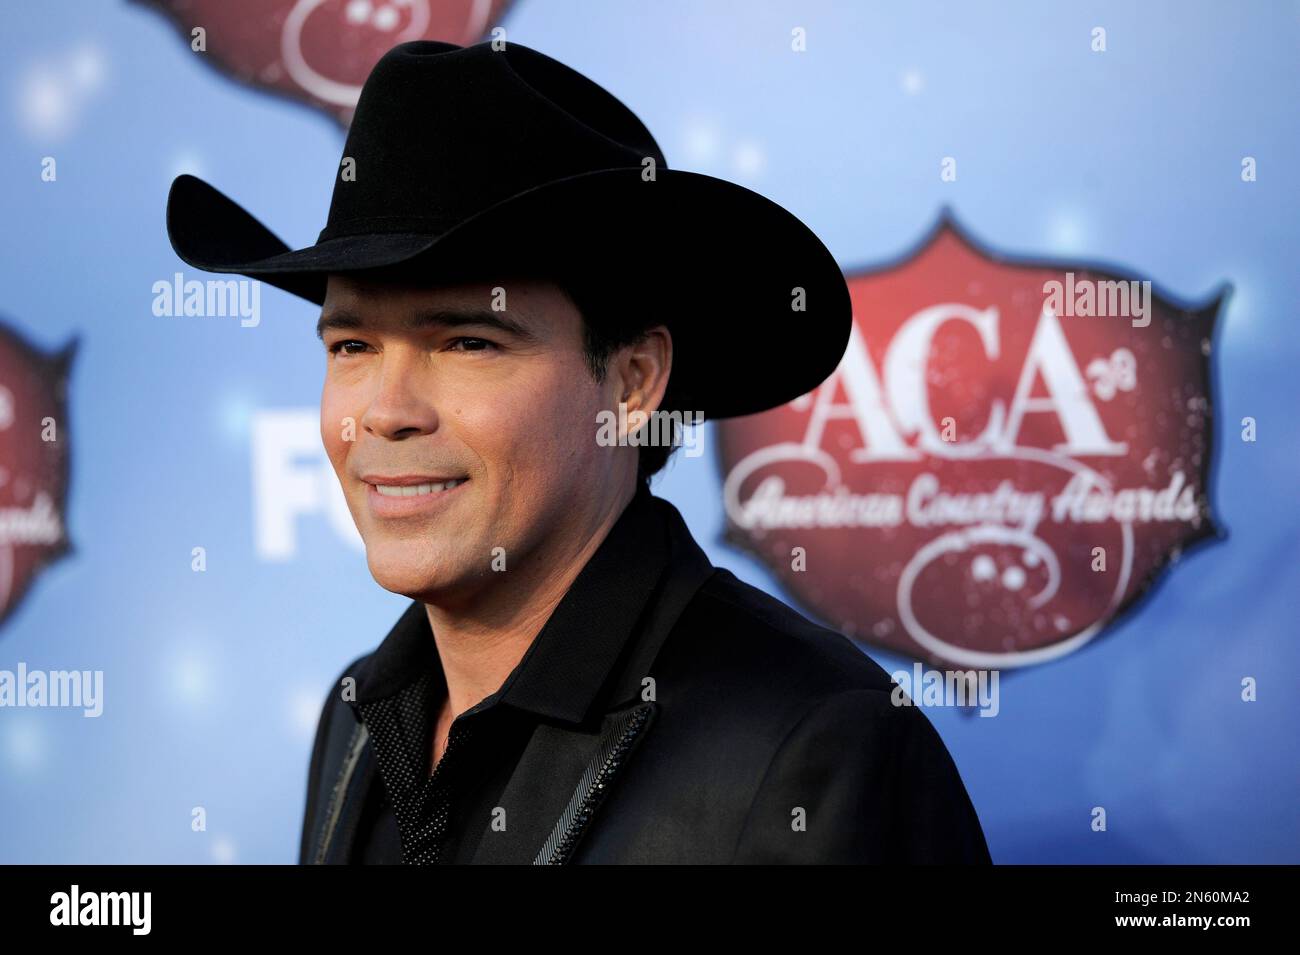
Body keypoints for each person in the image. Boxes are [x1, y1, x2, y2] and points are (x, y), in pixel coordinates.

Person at [165, 38, 991, 864]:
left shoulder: (817, 748)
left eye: (466, 343)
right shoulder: (356, 720)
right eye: (350, 347)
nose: (387, 412)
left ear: (632, 384)